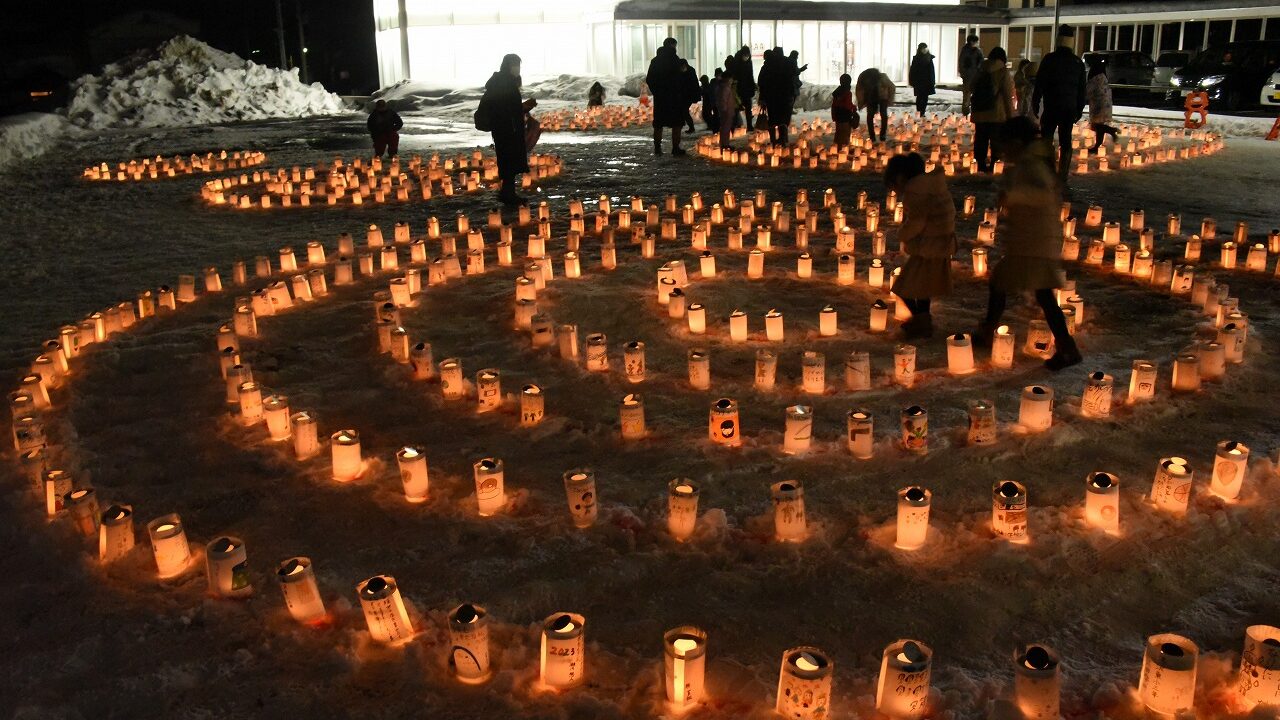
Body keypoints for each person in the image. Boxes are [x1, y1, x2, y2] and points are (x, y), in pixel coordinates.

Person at [976, 116, 1081, 370]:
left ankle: (987, 331)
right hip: (1032, 240)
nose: (1002, 151)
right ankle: (1067, 347)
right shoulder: (1030, 162)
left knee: (1007, 284)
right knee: (1038, 294)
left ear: (1016, 143)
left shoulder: (1033, 165)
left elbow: (1041, 195)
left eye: (1005, 145)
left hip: (1034, 242)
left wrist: (1012, 195)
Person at [886, 152, 956, 340]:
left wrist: (902, 234)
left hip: (929, 247)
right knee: (923, 288)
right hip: (941, 244)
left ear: (900, 179)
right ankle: (922, 320)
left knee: (903, 287)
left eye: (894, 187)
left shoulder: (915, 193)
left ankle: (922, 322)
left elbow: (916, 222)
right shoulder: (934, 187)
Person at [478, 54, 536, 205]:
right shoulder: (503, 83)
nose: (518, 68)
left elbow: (509, 107)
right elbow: (503, 108)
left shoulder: (505, 81)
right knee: (508, 160)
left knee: (509, 160)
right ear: (508, 66)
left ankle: (508, 192)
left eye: (519, 65)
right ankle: (508, 194)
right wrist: (522, 108)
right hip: (506, 129)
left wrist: (522, 108)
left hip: (508, 127)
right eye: (516, 65)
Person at [1032, 25, 1087, 182]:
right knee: (1065, 141)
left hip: (1051, 106)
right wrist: (1079, 110)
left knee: (1046, 138)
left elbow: (1039, 83)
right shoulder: (1077, 63)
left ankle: (1046, 170)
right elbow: (1081, 91)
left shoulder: (1049, 59)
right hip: (1068, 109)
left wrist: (1035, 102)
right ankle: (1062, 174)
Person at [970, 46, 1014, 173]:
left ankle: (980, 164)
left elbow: (971, 87)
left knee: (980, 139)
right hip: (996, 114)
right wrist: (1010, 117)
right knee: (996, 141)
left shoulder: (981, 69)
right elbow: (1007, 95)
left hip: (980, 112)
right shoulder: (1003, 72)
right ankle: (995, 166)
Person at [646, 38, 686, 156]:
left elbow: (650, 79)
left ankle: (657, 148)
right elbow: (680, 78)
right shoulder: (675, 60)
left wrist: (657, 91)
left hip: (661, 98)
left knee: (659, 123)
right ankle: (675, 148)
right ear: (672, 46)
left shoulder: (656, 61)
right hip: (674, 97)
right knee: (677, 123)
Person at [758, 47, 796, 146]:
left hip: (772, 97)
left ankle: (773, 140)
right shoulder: (787, 64)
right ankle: (782, 140)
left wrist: (762, 97)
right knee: (783, 119)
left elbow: (761, 82)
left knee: (772, 118)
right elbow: (792, 78)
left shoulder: (768, 66)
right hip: (785, 96)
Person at [1085, 60, 1119, 152]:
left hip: (1098, 106)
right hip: (1105, 105)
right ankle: (1097, 146)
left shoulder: (1095, 79)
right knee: (1098, 127)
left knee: (1097, 126)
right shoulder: (1103, 78)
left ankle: (1111, 130)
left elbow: (1088, 92)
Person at [856, 67, 894, 143]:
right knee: (870, 116)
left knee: (882, 114)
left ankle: (882, 134)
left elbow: (891, 87)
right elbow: (859, 91)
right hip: (871, 98)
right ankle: (872, 136)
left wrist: (889, 98)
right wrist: (861, 102)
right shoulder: (864, 80)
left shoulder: (882, 78)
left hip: (883, 97)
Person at [715, 60, 741, 149]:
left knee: (725, 128)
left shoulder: (724, 87)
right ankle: (724, 145)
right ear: (728, 78)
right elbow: (723, 100)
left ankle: (725, 144)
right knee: (725, 129)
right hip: (726, 112)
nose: (732, 80)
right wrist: (725, 110)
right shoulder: (725, 88)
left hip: (727, 111)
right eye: (731, 78)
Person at [959, 34, 985, 115]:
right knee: (967, 95)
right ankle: (966, 113)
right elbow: (962, 63)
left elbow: (981, 61)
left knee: (975, 95)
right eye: (976, 42)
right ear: (971, 42)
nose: (977, 43)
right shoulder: (966, 51)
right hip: (968, 76)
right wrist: (963, 74)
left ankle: (974, 112)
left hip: (975, 76)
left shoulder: (977, 51)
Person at [733, 46, 757, 132]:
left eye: (747, 55)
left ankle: (749, 125)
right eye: (745, 55)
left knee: (748, 107)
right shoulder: (736, 62)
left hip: (747, 88)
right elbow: (735, 75)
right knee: (737, 107)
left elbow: (750, 75)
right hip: (739, 88)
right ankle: (736, 124)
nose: (746, 57)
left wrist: (753, 85)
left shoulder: (749, 62)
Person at [908, 43, 936, 116]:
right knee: (920, 97)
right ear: (920, 49)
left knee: (925, 97)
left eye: (925, 48)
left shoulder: (929, 58)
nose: (924, 50)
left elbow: (931, 71)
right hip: (919, 81)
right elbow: (913, 71)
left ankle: (922, 112)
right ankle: (919, 111)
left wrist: (932, 81)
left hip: (927, 81)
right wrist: (912, 81)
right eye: (923, 48)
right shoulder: (916, 59)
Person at [831, 74, 856, 147]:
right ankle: (843, 148)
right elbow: (847, 105)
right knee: (845, 132)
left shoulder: (837, 92)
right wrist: (853, 107)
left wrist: (834, 115)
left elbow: (834, 104)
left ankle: (837, 146)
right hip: (845, 116)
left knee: (839, 132)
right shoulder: (847, 93)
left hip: (838, 115)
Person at [679, 59, 701, 134]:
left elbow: (692, 84)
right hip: (686, 95)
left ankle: (691, 127)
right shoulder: (689, 70)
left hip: (688, 95)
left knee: (684, 111)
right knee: (683, 111)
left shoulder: (689, 71)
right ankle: (689, 126)